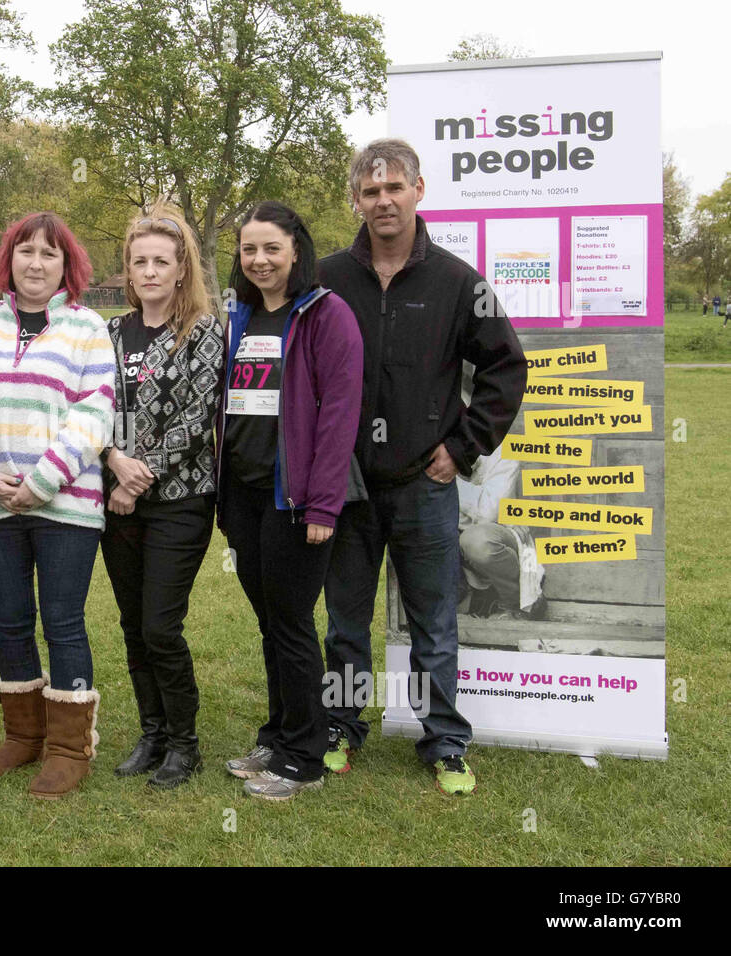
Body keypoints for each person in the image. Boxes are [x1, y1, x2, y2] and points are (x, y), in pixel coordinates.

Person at [318, 138, 526, 795]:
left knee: (436, 625)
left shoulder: (457, 281)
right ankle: (339, 730)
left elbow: (504, 367)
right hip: (347, 491)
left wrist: (463, 448)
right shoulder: (326, 281)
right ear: (357, 197)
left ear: (418, 191)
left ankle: (444, 743)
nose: (383, 200)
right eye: (371, 190)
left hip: (423, 489)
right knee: (345, 624)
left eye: (394, 188)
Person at [0, 211, 116, 799]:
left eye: (49, 254)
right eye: (26, 252)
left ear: (68, 264)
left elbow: (94, 414)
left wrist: (41, 482)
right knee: (9, 619)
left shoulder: (89, 328)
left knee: (63, 620)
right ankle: (23, 735)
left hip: (67, 505)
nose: (36, 263)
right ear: (8, 259)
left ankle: (69, 747)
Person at [215, 201, 364, 801]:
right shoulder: (239, 316)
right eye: (249, 249)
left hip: (296, 501)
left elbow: (339, 421)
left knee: (294, 625)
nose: (259, 260)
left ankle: (305, 754)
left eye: (271, 248)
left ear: (296, 249)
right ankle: (277, 735)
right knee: (269, 624)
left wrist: (324, 506)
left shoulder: (327, 316)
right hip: (245, 496)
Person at [99, 204, 223, 790]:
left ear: (181, 270)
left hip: (179, 500)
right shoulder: (109, 333)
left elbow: (197, 417)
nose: (149, 271)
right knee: (130, 623)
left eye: (161, 262)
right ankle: (151, 733)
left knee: (160, 627)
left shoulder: (204, 330)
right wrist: (112, 463)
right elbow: (91, 410)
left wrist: (136, 477)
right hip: (117, 500)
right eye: (139, 261)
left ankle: (185, 742)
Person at [457, 447, 546, 622]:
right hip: (454, 543)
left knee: (476, 541)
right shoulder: (437, 452)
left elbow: (488, 513)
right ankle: (465, 601)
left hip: (498, 538)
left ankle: (515, 602)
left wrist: (448, 484)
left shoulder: (504, 453)